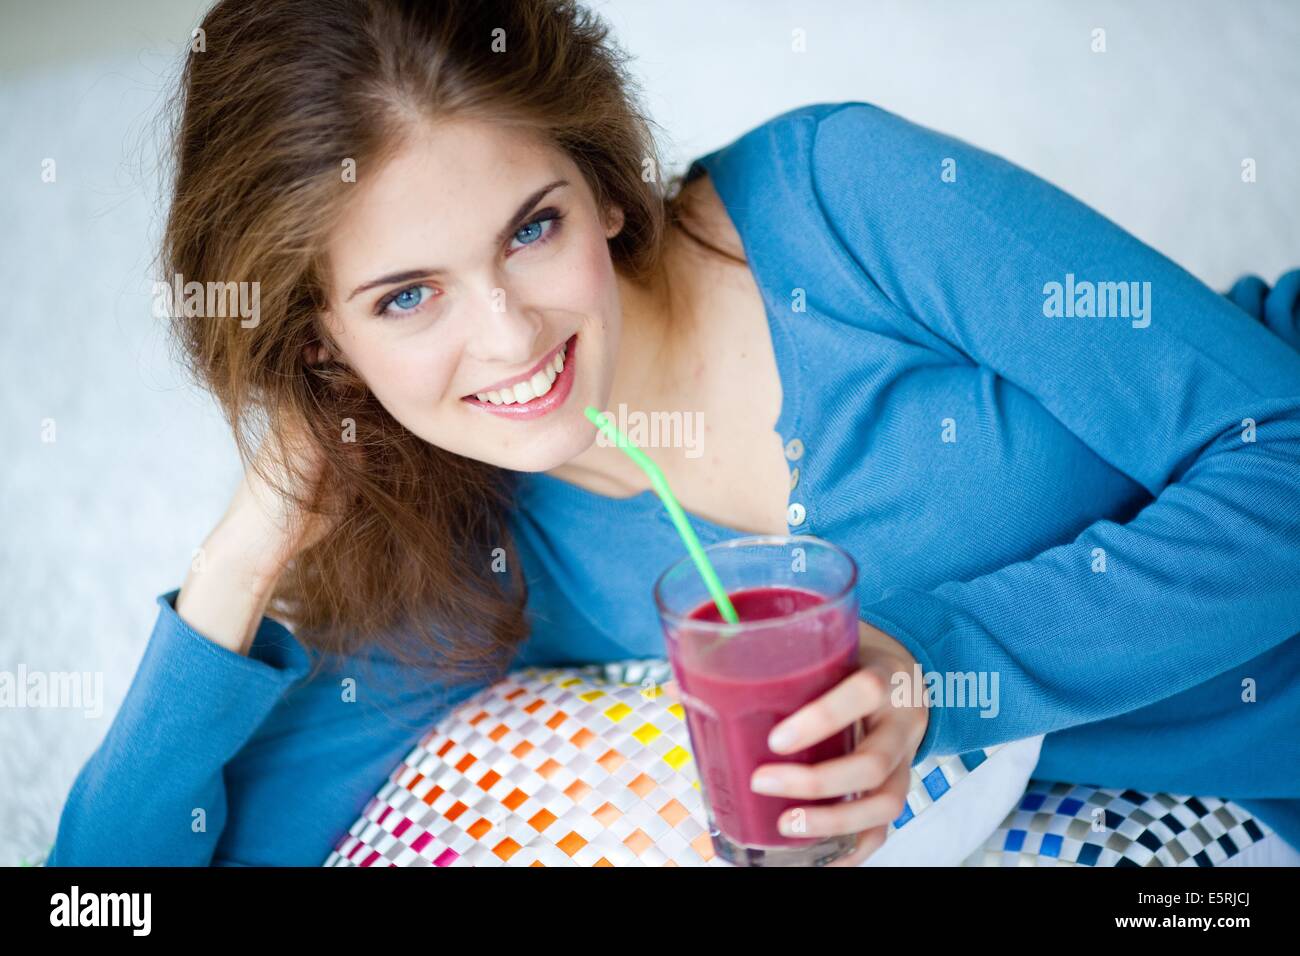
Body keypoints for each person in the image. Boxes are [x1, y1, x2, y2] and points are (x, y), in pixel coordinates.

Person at [48, 0, 1300, 867]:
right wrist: (243, 551)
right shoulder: (475, 556)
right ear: (323, 343)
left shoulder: (839, 194)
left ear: (599, 182)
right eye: (406, 296)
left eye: (531, 228)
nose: (507, 337)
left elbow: (1279, 442)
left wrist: (939, 667)